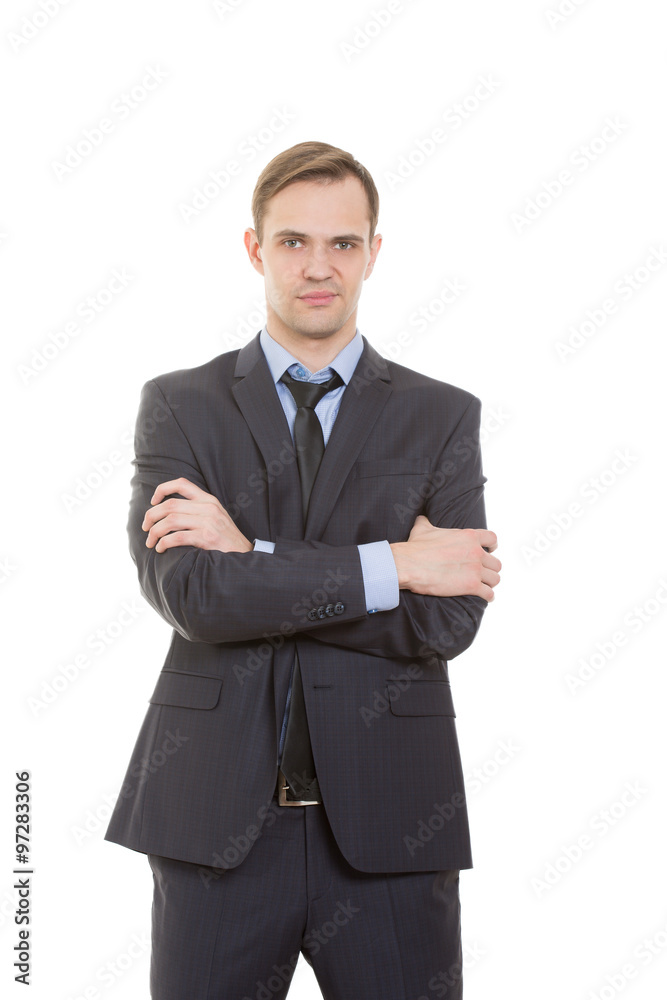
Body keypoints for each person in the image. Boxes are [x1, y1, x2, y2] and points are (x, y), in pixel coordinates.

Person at [104, 139, 501, 1000]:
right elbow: (194, 597)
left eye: (342, 243)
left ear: (372, 253)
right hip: (214, 821)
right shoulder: (180, 405)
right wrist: (398, 564)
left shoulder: (440, 416)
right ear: (255, 249)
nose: (318, 267)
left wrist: (252, 557)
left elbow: (446, 618)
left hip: (394, 819)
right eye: (293, 241)